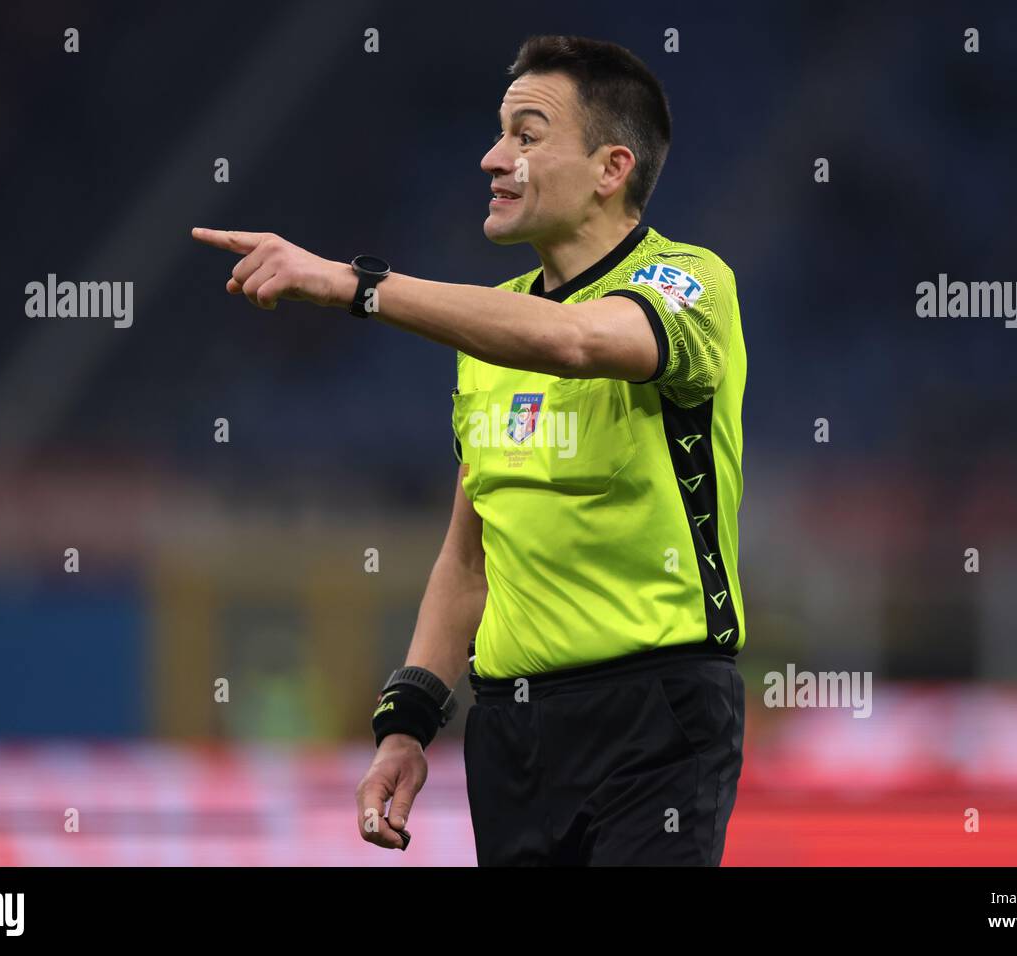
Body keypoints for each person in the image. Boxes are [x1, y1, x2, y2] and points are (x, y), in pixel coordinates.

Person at [192, 34, 747, 866]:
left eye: (527, 135)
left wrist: (356, 284)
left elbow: (579, 342)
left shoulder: (691, 283)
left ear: (612, 167)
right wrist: (406, 725)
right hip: (512, 736)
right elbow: (470, 554)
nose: (493, 158)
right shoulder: (490, 327)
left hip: (657, 722)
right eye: (498, 133)